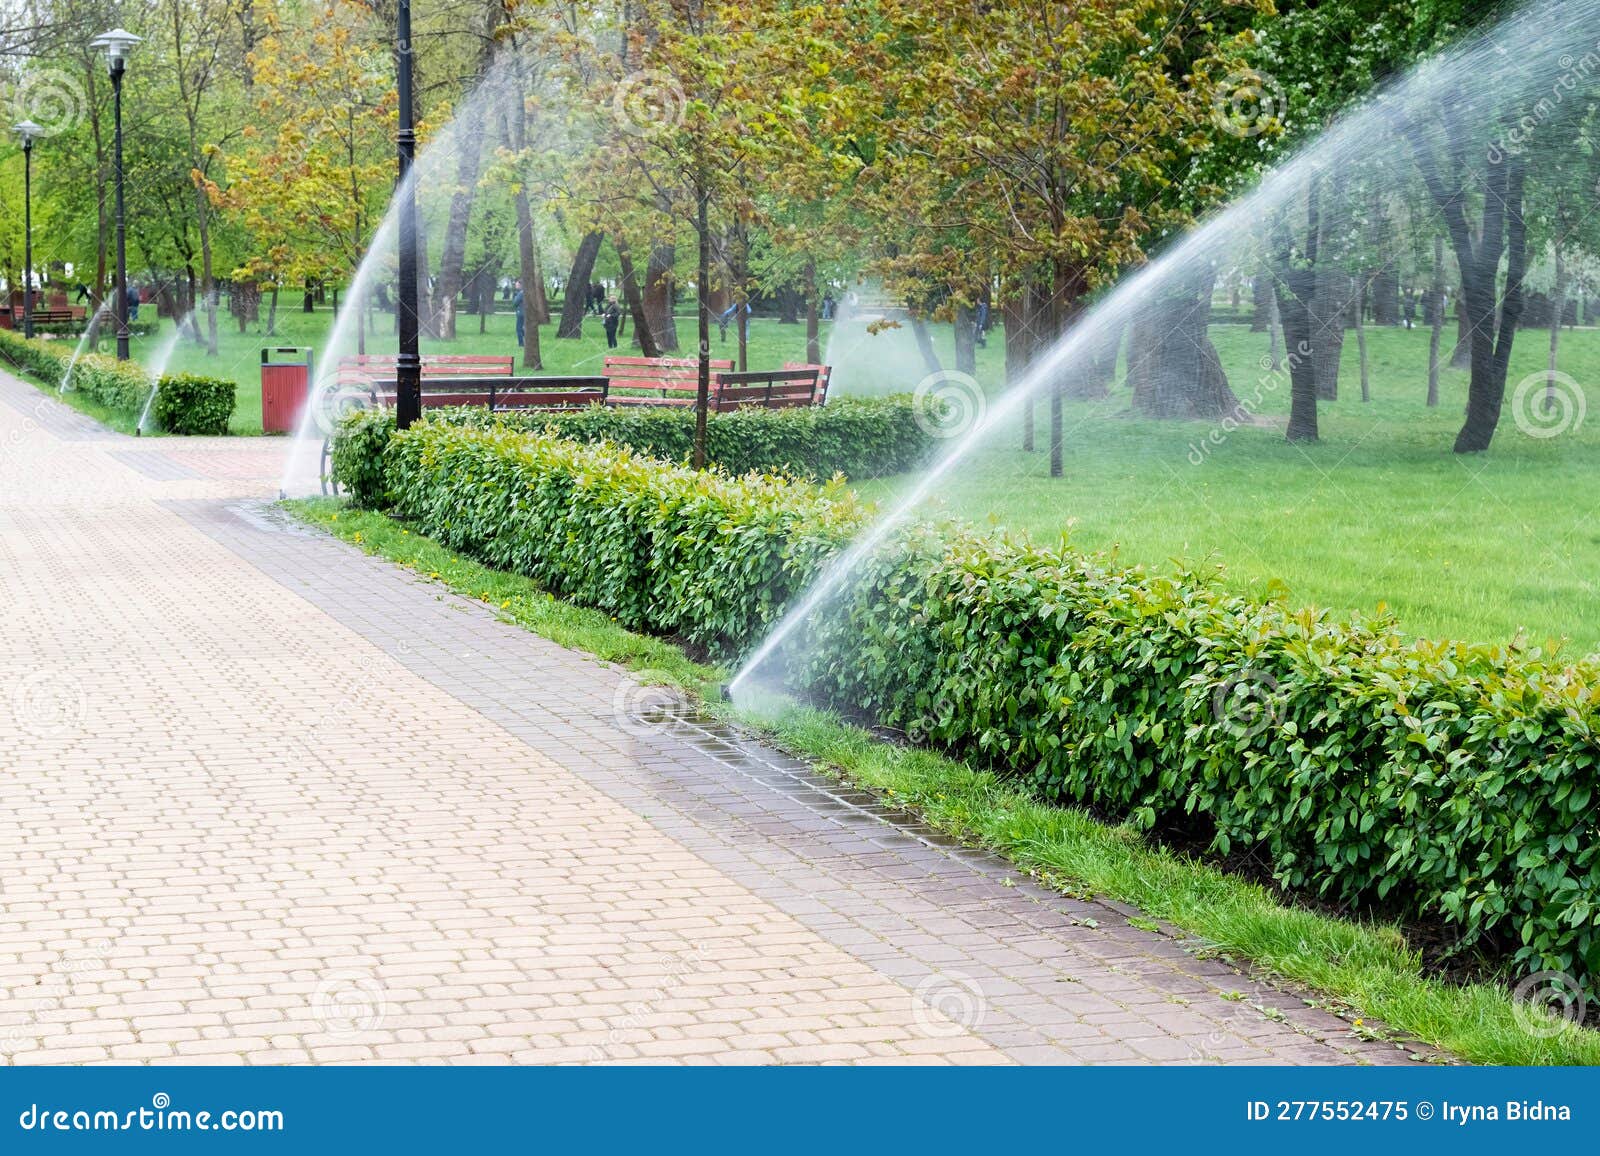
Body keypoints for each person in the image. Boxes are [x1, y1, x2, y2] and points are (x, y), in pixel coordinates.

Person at [511, 279, 526, 347]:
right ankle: (527, 341)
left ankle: (521, 343)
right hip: (525, 312)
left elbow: (515, 303)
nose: (516, 286)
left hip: (520, 313)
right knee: (523, 328)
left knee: (519, 329)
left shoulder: (520, 293)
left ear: (521, 285)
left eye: (517, 285)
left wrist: (514, 297)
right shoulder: (526, 292)